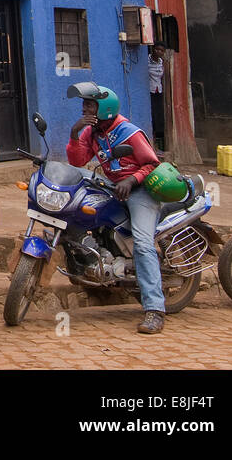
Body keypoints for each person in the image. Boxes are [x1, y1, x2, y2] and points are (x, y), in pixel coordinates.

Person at [66, 82, 165, 334]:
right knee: (76, 200)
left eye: (90, 105)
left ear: (105, 108)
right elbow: (78, 161)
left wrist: (132, 180)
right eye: (84, 105)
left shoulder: (128, 131)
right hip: (112, 185)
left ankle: (154, 309)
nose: (85, 110)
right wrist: (75, 134)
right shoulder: (93, 132)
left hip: (140, 190)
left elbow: (153, 163)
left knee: (143, 243)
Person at [148, 43, 166, 151]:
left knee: (159, 117)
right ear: (153, 49)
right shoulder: (147, 60)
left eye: (162, 50)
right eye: (157, 49)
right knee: (152, 115)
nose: (159, 52)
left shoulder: (161, 62)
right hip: (149, 91)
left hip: (158, 90)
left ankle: (159, 144)